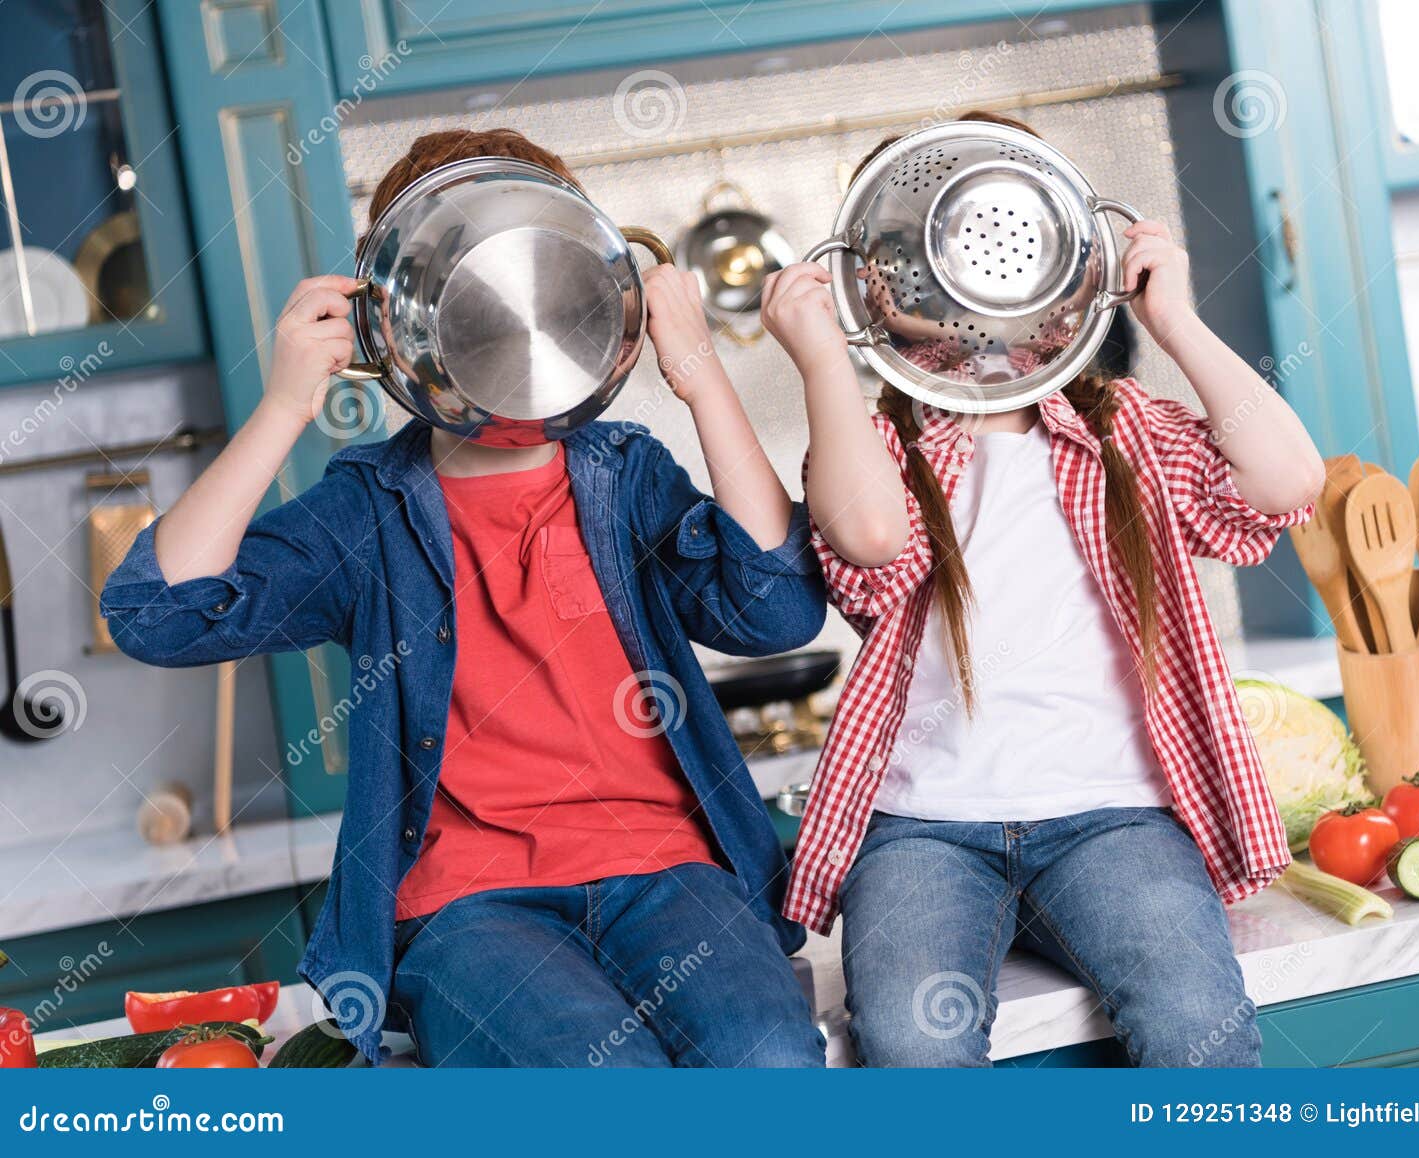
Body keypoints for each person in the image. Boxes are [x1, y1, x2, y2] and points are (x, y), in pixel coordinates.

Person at [102, 128, 827, 1068]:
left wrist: (697, 370)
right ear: (394, 311)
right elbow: (159, 616)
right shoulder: (367, 509)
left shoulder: (627, 474)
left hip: (669, 872)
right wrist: (283, 407)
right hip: (468, 905)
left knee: (772, 1060)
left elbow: (776, 611)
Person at [760, 111, 1324, 1067]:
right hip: (924, 832)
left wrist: (1176, 322)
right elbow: (867, 537)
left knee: (1198, 1026)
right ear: (874, 289)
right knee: (912, 1041)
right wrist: (822, 360)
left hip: (1115, 817)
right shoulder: (880, 448)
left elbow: (1287, 480)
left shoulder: (1125, 429)